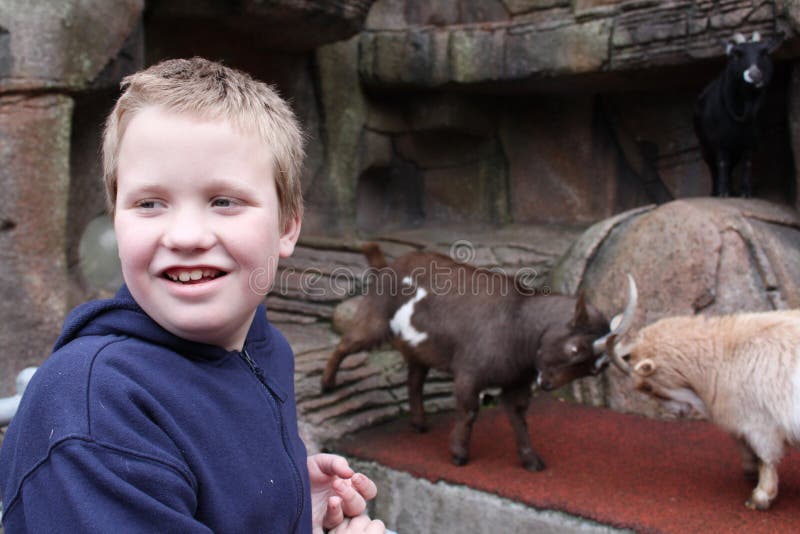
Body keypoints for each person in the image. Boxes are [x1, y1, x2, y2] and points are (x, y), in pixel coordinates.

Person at [0, 57, 386, 534]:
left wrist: (283, 506)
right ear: (115, 220)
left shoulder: (265, 348)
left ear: (287, 226)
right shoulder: (96, 412)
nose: (185, 236)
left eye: (224, 201)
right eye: (149, 204)